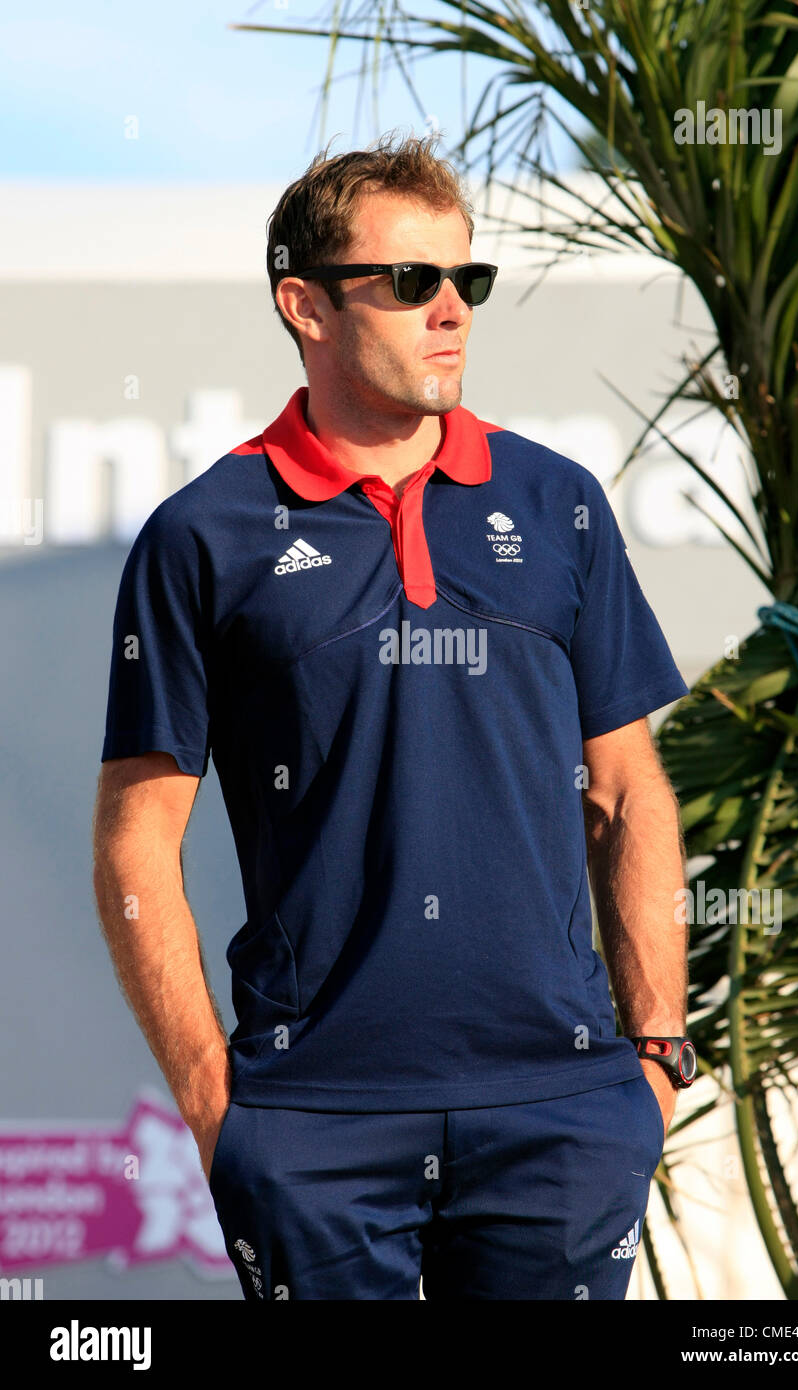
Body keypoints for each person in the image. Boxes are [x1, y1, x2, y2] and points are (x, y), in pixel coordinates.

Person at [93, 130, 694, 1301]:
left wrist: (654, 1059)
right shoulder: (201, 534)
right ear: (303, 304)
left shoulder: (554, 501)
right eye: (410, 282)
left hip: (561, 1115)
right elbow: (134, 840)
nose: (450, 311)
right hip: (310, 1124)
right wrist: (217, 1107)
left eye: (465, 281)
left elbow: (627, 792)